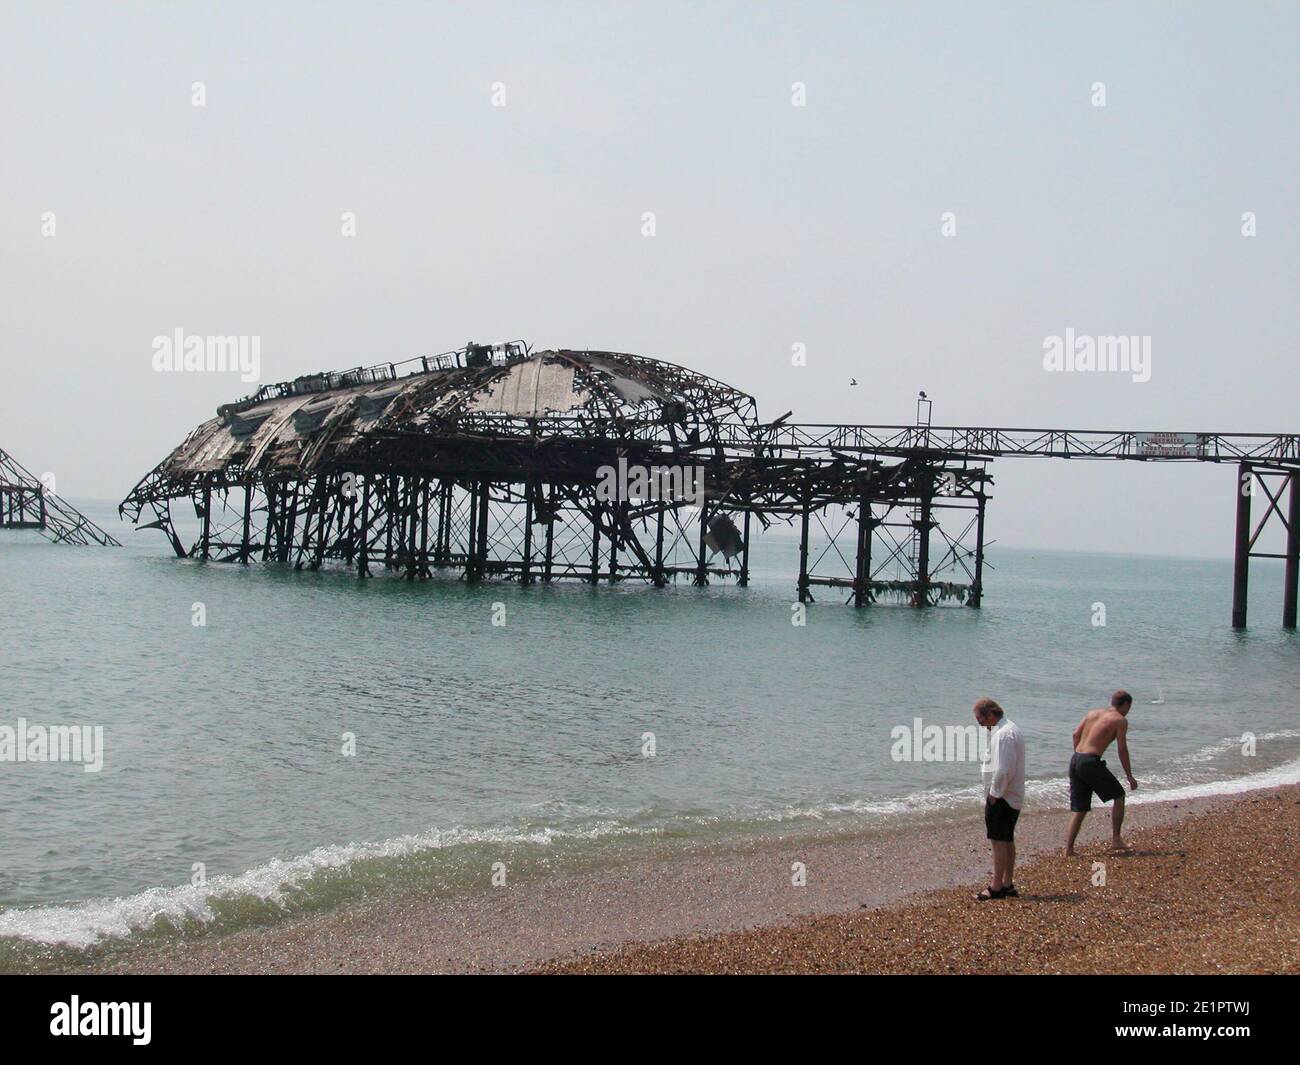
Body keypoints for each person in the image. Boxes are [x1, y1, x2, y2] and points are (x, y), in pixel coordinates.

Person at [1065, 690, 1139, 856]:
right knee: (1119, 796)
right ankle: (1116, 839)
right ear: (1126, 704)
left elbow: (1075, 734)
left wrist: (1079, 758)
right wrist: (1129, 775)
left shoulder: (1093, 714)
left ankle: (1069, 849)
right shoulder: (1120, 720)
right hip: (1090, 761)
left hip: (1076, 759)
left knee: (1080, 808)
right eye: (1129, 707)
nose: (1129, 711)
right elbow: (1122, 749)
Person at [972, 697, 1025, 901]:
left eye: (981, 720)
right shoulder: (1009, 729)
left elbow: (1004, 770)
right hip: (1010, 796)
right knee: (1007, 839)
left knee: (998, 841)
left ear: (991, 714)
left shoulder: (1004, 735)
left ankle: (996, 886)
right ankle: (1007, 883)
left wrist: (994, 795)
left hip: (1002, 798)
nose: (981, 725)